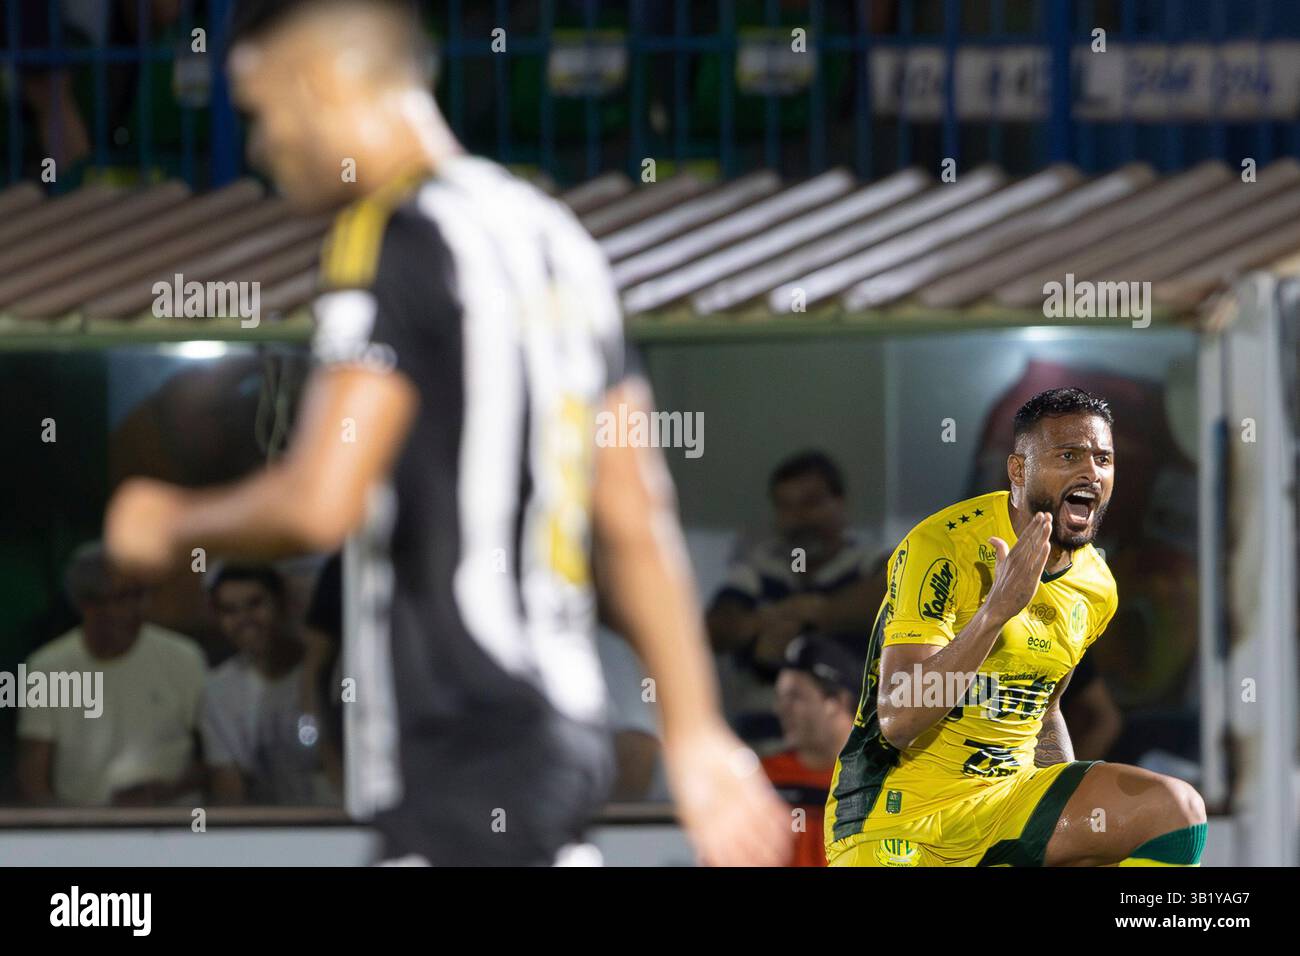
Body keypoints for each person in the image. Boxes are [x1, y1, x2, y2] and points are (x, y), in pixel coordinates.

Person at [104, 0, 790, 866]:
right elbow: (634, 514)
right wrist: (695, 734)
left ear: (319, 87)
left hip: (460, 743)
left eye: (262, 112)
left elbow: (319, 500)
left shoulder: (391, 236)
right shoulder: (557, 240)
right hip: (557, 736)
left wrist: (167, 523)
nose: (259, 147)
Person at [825, 388, 1207, 867]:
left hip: (1006, 806)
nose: (1091, 472)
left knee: (1175, 812)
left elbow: (1045, 710)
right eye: (1069, 455)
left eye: (1103, 458)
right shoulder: (943, 547)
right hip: (895, 820)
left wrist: (1063, 807)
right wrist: (994, 614)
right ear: (1019, 470)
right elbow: (898, 720)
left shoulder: (1097, 586)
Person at [16, 542, 206, 807]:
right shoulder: (47, 668)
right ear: (86, 606)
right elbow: (33, 779)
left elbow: (217, 758)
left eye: (140, 596)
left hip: (174, 825)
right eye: (121, 598)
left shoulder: (185, 657)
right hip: (83, 831)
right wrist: (79, 827)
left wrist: (161, 793)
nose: (135, 610)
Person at [706, 450, 877, 742]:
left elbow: (893, 592)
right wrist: (766, 625)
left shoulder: (868, 561)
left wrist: (816, 615)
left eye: (810, 503)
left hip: (848, 749)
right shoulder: (759, 568)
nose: (798, 518)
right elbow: (715, 629)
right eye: (786, 506)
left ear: (840, 503)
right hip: (763, 748)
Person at [202, 563, 336, 805]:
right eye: (230, 611)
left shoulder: (330, 672)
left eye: (255, 604)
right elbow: (230, 785)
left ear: (282, 603)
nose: (244, 620)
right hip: (266, 832)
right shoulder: (218, 689)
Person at [762, 636, 857, 866]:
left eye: (795, 696)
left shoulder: (885, 777)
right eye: (780, 697)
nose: (780, 709)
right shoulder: (763, 779)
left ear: (837, 702)